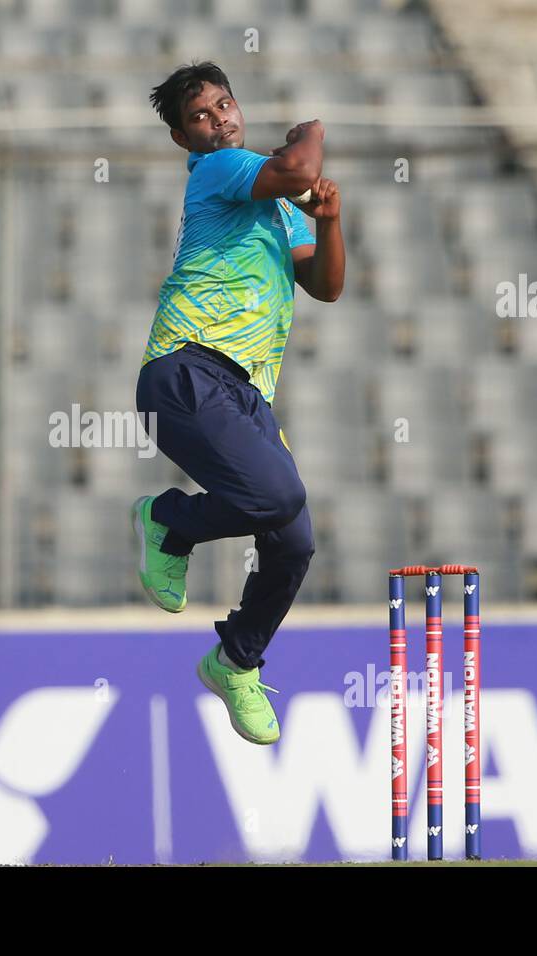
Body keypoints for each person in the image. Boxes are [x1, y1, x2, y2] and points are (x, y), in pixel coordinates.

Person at [132, 61, 346, 745]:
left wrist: (332, 217)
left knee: (293, 541)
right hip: (186, 369)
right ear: (182, 138)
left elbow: (325, 283)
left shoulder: (279, 199)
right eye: (201, 115)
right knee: (277, 497)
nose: (220, 119)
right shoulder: (220, 169)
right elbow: (297, 166)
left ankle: (235, 660)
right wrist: (310, 135)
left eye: (225, 105)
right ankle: (169, 520)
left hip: (244, 389)